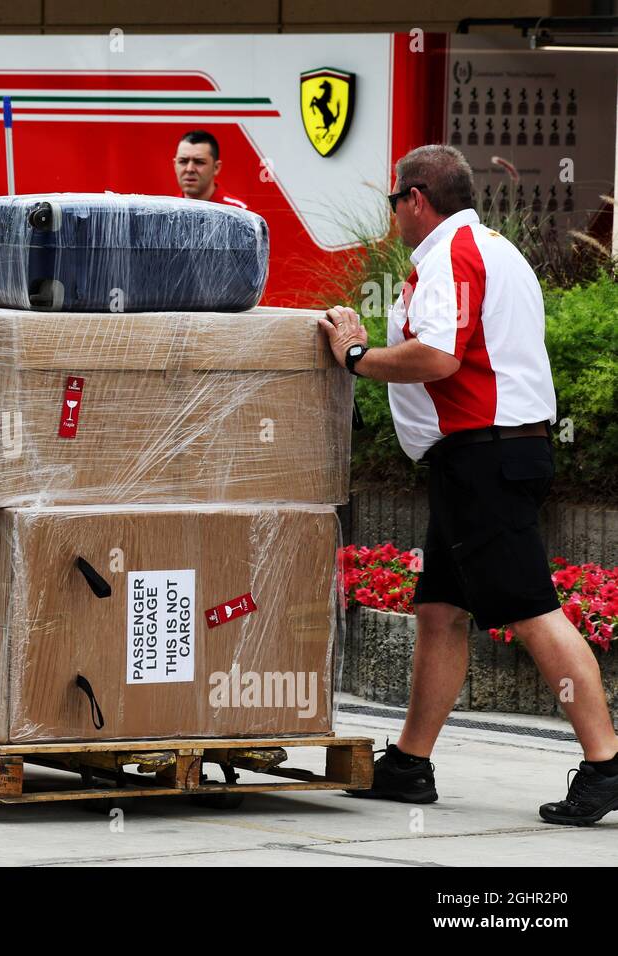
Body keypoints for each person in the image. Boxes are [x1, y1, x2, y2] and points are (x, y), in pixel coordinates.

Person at [320, 144, 618, 825]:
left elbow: (439, 357)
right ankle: (410, 763)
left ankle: (606, 764)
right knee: (440, 610)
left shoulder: (455, 255)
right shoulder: (488, 248)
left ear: (416, 199)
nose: (393, 214)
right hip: (484, 455)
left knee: (531, 607)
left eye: (395, 201)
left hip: (486, 456)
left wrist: (357, 356)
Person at [173, 130, 248, 210]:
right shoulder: (166, 211)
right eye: (183, 161)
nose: (190, 169)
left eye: (199, 162)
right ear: (174, 165)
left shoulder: (238, 213)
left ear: (216, 168)